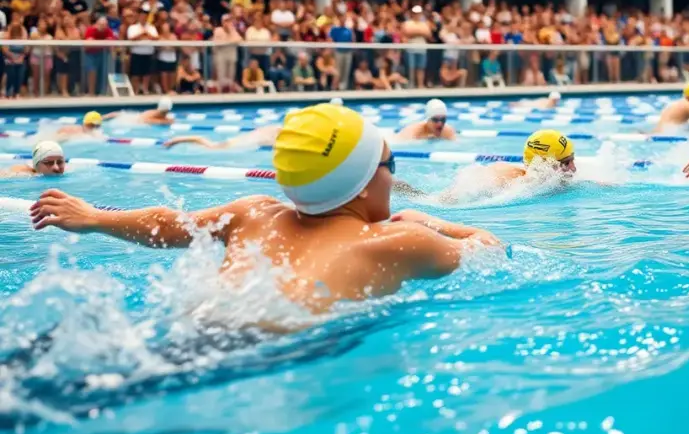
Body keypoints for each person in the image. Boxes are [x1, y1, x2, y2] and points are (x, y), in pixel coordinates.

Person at [31, 104, 501, 321]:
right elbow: (490, 251)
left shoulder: (255, 212)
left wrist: (94, 217)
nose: (393, 174)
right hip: (266, 353)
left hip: (187, 324)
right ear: (362, 183)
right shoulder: (400, 242)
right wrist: (433, 222)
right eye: (389, 165)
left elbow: (171, 225)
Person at [163, 124, 282, 150]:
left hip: (255, 136)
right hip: (246, 141)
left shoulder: (275, 130)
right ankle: (177, 140)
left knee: (212, 146)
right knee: (213, 146)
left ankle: (177, 140)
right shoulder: (277, 133)